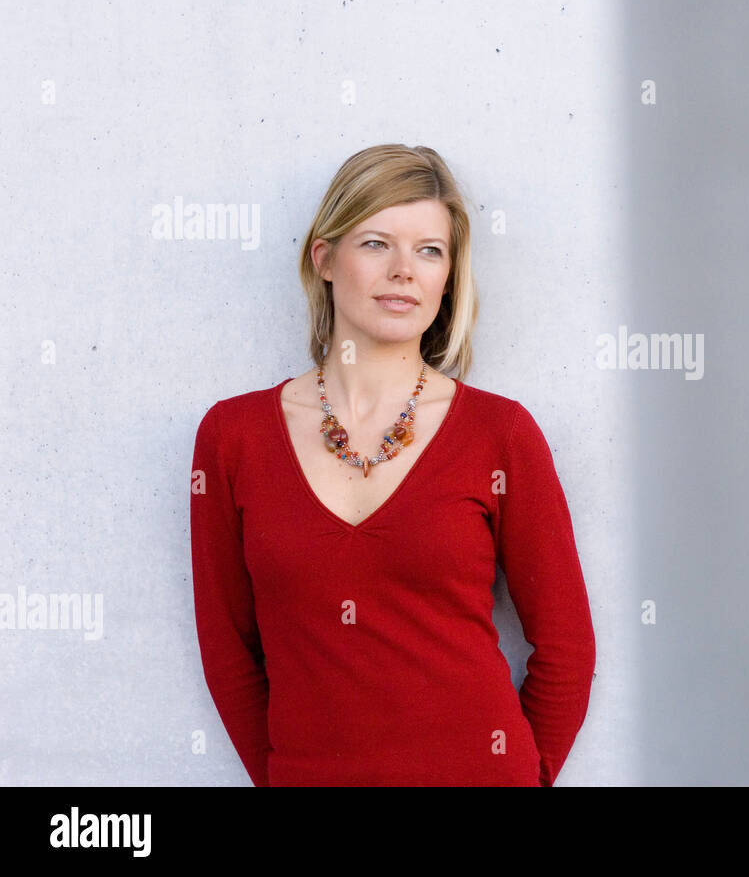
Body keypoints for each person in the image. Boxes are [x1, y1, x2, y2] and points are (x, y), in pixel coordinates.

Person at [188, 144, 596, 786]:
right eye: (377, 243)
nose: (405, 270)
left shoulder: (501, 434)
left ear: (448, 276)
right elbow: (228, 649)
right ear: (323, 258)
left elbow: (568, 648)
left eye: (429, 250)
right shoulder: (231, 437)